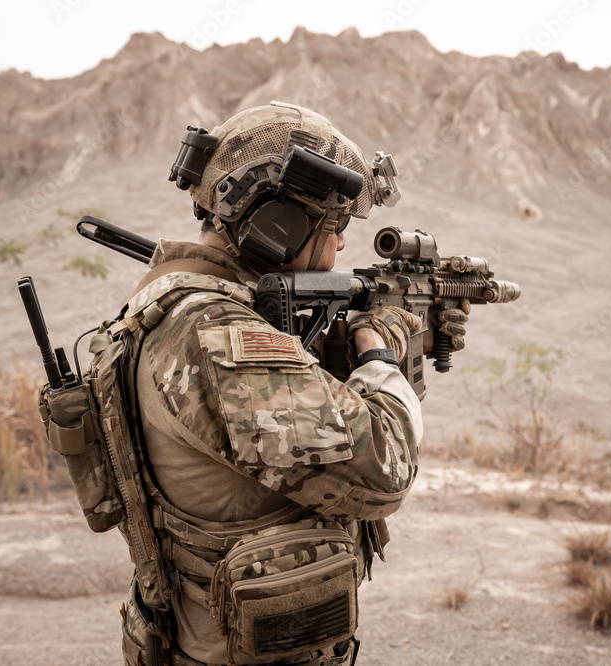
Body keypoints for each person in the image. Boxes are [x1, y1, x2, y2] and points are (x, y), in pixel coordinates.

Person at [117, 102, 453, 666]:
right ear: (280, 227)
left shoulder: (192, 305)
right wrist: (380, 350)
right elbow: (383, 471)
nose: (343, 246)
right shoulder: (216, 335)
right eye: (336, 225)